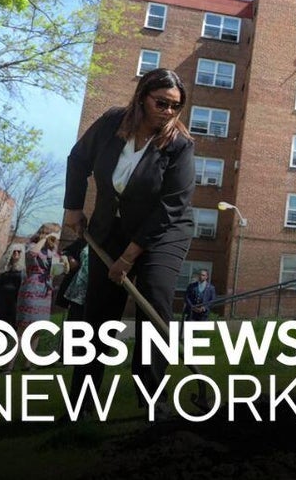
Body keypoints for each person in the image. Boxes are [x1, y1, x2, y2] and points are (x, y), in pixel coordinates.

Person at [63, 68, 196, 409]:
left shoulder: (179, 145)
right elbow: (78, 160)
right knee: (97, 314)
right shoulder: (111, 123)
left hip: (164, 232)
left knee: (154, 301)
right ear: (141, 97)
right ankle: (83, 403)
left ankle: (154, 400)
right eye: (161, 103)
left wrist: (128, 257)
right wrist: (73, 208)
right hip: (111, 228)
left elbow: (171, 206)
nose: (168, 112)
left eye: (175, 107)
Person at [10, 230, 59, 372]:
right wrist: (44, 239)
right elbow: (31, 255)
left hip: (45, 290)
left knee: (37, 330)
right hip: (31, 288)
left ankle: (27, 364)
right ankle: (9, 365)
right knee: (23, 329)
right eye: (55, 235)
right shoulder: (31, 245)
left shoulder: (52, 251)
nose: (56, 239)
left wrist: (63, 266)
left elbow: (55, 269)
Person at [0, 245, 24, 327]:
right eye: (14, 251)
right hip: (1, 297)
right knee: (2, 322)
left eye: (18, 251)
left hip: (15, 298)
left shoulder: (23, 268)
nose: (16, 253)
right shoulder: (3, 267)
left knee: (14, 321)